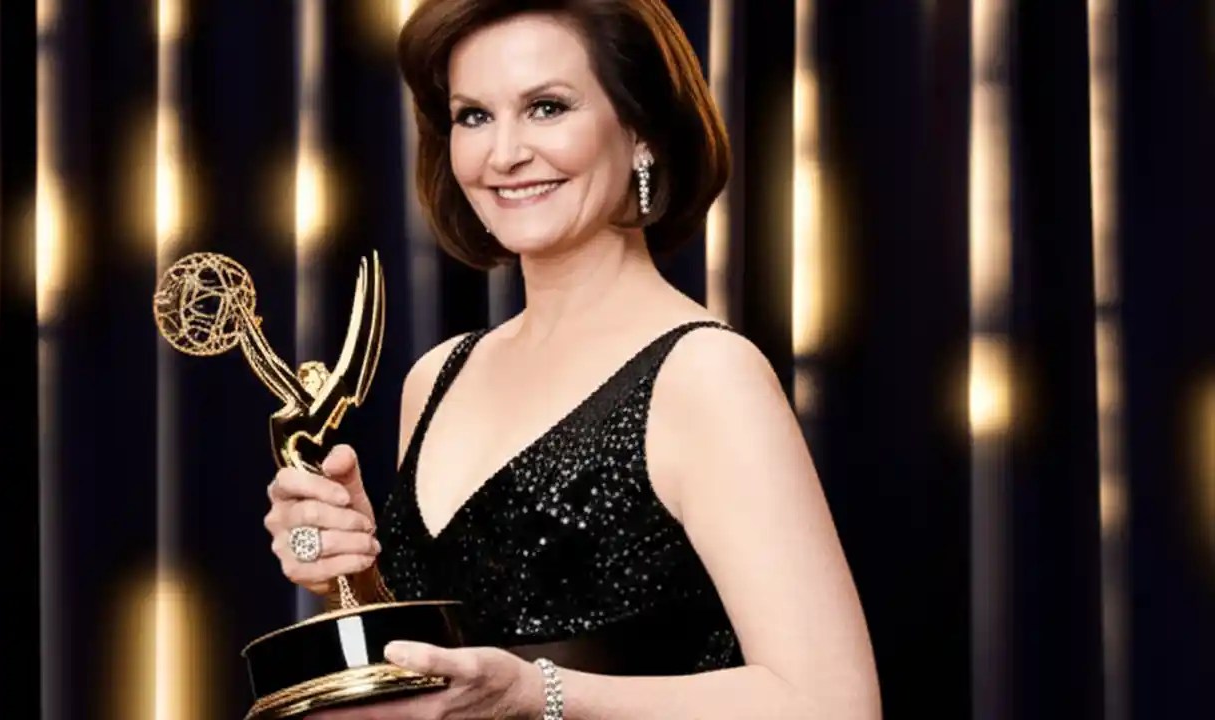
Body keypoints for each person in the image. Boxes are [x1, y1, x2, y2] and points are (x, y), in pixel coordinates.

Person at [263, 0, 881, 717]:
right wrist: (350, 574)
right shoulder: (437, 378)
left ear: (641, 129)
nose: (504, 154)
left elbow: (833, 705)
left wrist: (541, 694)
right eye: (473, 116)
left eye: (547, 107)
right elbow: (446, 678)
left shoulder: (705, 375)